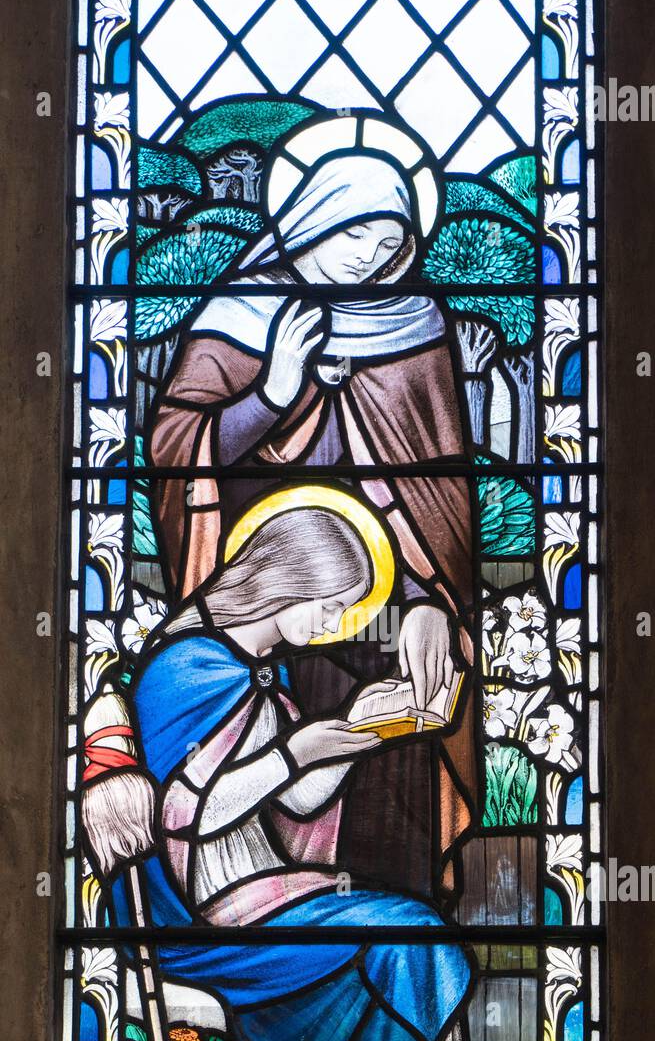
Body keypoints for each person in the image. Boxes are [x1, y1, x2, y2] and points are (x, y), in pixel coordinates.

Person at [113, 504, 476, 1041]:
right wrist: (297, 751)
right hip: (191, 913)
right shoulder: (186, 665)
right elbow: (187, 814)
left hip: (250, 885)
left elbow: (297, 797)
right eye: (334, 606)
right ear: (287, 582)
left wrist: (362, 731)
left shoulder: (251, 666)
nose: (341, 623)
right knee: (407, 939)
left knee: (412, 937)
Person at [148, 140, 477, 897]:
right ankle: (257, 923)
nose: (369, 257)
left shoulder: (413, 325)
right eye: (355, 231)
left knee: (392, 773)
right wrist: (272, 392)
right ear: (314, 218)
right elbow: (172, 449)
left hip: (384, 612)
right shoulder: (239, 314)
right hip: (270, 604)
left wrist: (431, 604)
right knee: (262, 777)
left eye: (391, 243)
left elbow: (437, 497)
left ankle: (397, 931)